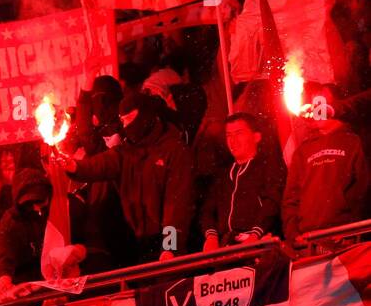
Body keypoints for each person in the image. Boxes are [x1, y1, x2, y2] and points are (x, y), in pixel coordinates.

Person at [60, 91, 193, 262]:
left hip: (166, 242)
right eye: (123, 120)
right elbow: (99, 165)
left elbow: (176, 207)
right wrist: (74, 166)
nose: (127, 125)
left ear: (145, 116)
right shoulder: (125, 151)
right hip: (137, 242)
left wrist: (170, 248)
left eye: (131, 118)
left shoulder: (174, 150)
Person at [283, 87, 369, 250]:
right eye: (314, 104)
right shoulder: (303, 150)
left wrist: (351, 228)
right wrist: (293, 235)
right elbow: (291, 198)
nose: (317, 109)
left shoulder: (354, 142)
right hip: (308, 242)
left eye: (321, 103)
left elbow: (363, 190)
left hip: (343, 238)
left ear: (337, 107)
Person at [200, 112, 286, 250]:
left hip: (259, 245)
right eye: (229, 135)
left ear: (256, 137)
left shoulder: (269, 167)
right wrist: (211, 237)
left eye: (239, 133)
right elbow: (207, 210)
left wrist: (255, 235)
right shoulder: (222, 175)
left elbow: (272, 203)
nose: (233, 140)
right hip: (225, 248)